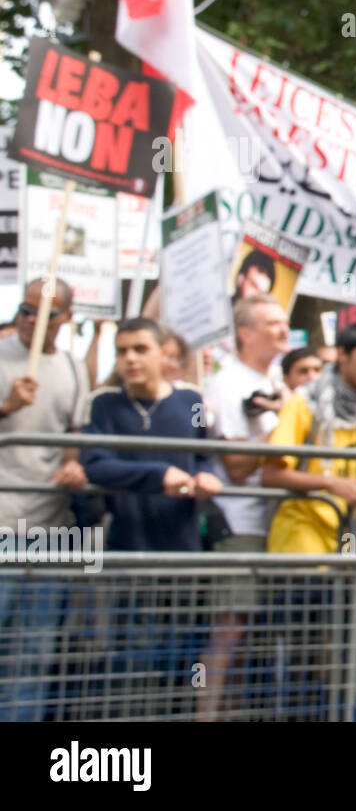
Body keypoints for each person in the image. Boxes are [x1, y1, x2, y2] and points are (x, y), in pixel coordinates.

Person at [0, 277, 89, 721]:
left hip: (52, 526)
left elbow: (73, 434)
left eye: (46, 314)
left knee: (33, 652)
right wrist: (5, 406)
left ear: (67, 318)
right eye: (25, 310)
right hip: (2, 524)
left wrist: (73, 466)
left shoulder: (75, 367)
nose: (33, 320)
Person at [80, 318, 221, 551]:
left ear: (163, 353)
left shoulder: (193, 401)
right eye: (122, 351)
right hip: (126, 541)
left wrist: (205, 475)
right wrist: (158, 475)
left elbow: (201, 453)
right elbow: (94, 464)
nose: (131, 358)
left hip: (183, 539)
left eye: (140, 349)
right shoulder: (102, 403)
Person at [261, 323, 356, 554]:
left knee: (351, 589)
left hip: (350, 537)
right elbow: (271, 474)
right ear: (342, 354)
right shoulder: (304, 402)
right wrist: (331, 484)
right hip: (302, 541)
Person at [203, 294, 291, 552]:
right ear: (246, 334)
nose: (284, 330)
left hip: (273, 524)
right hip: (239, 526)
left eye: (284, 322)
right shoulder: (228, 383)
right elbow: (238, 468)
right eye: (273, 323)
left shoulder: (273, 383)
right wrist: (285, 420)